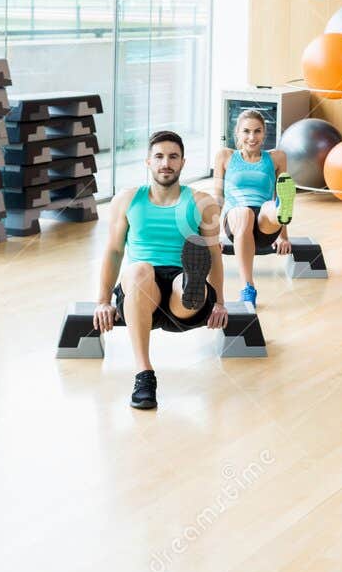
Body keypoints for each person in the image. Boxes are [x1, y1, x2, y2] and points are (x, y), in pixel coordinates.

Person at [94, 130, 227, 410]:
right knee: (138, 270)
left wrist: (221, 303)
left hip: (183, 300)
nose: (166, 163)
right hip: (142, 293)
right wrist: (103, 301)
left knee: (185, 282)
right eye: (159, 156)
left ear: (183, 162)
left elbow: (214, 255)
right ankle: (144, 374)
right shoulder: (128, 200)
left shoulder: (203, 202)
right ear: (148, 162)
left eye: (173, 157)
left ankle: (194, 283)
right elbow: (114, 251)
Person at [210, 109, 296, 306]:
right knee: (245, 213)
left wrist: (283, 237)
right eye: (246, 131)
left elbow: (277, 194)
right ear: (237, 134)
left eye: (257, 131)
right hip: (236, 220)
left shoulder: (277, 158)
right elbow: (218, 198)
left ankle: (281, 213)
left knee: (269, 206)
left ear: (264, 133)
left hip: (264, 226)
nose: (252, 137)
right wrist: (213, 237)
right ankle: (247, 286)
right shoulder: (225, 156)